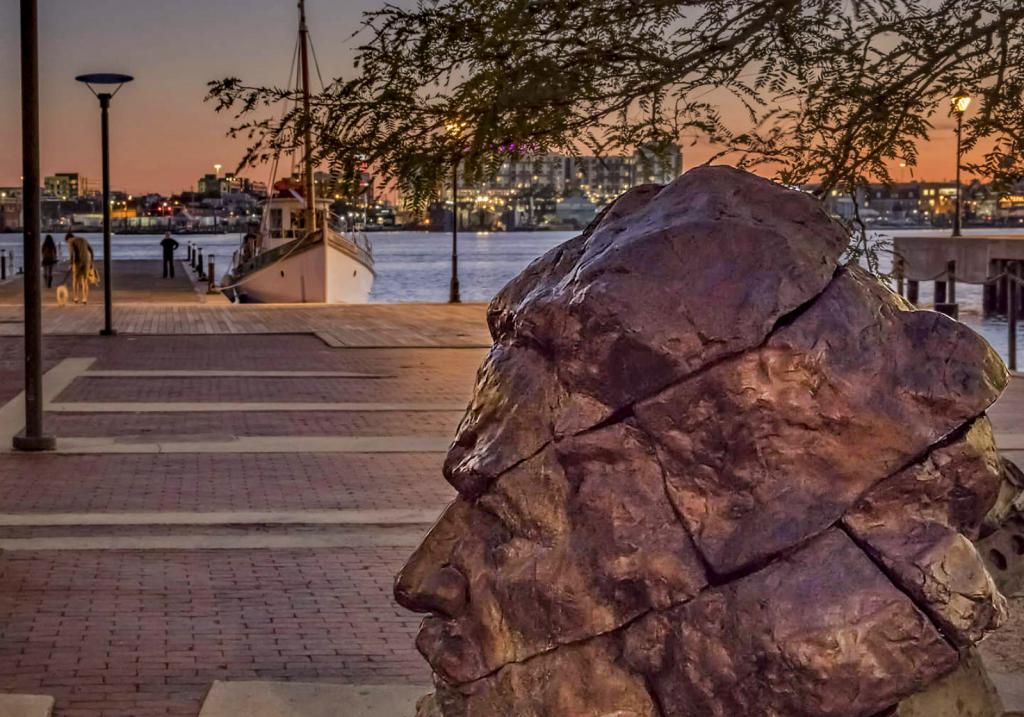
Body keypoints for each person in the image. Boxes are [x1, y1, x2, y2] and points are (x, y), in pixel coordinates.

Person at [64, 232, 95, 304]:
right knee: (85, 280)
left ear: (67, 239)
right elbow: (91, 250)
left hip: (77, 262)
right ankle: (85, 298)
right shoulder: (84, 239)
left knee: (75, 280)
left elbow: (72, 253)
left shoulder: (71, 241)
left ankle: (76, 297)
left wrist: (71, 263)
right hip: (86, 261)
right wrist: (92, 261)